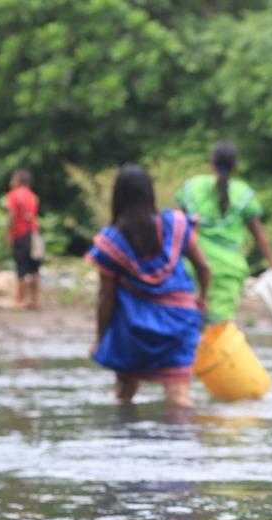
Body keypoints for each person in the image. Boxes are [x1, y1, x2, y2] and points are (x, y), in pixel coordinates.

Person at [87, 165, 212, 409]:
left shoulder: (111, 242)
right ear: (150, 194)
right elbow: (204, 268)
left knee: (124, 396)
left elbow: (106, 297)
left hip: (134, 327)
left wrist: (101, 338)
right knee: (179, 398)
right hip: (180, 320)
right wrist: (202, 299)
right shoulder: (175, 224)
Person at [174, 141, 272, 326]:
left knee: (190, 323)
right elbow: (259, 234)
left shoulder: (193, 187)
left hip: (192, 265)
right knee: (220, 329)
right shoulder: (242, 194)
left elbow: (176, 225)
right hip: (228, 271)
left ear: (211, 162)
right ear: (235, 165)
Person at [6, 168, 42, 309]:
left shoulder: (13, 195)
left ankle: (19, 301)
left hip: (21, 234)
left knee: (21, 267)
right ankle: (34, 300)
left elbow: (12, 215)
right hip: (35, 234)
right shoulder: (33, 196)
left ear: (18, 180)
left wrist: (9, 233)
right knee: (34, 268)